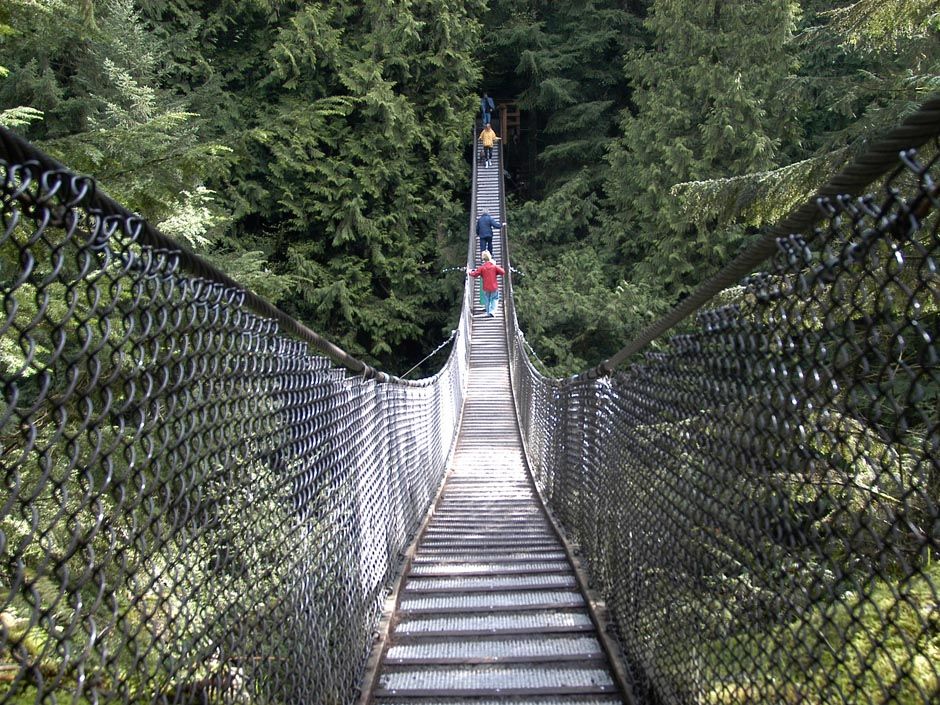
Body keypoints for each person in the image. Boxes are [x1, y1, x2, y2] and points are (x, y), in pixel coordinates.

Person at [468, 250, 505, 317]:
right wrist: (496, 270)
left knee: (487, 299)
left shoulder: (482, 268)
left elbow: (475, 274)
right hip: (494, 287)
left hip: (486, 287)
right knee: (495, 298)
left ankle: (488, 313)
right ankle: (492, 311)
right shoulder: (494, 267)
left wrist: (469, 272)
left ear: (483, 259)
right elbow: (502, 272)